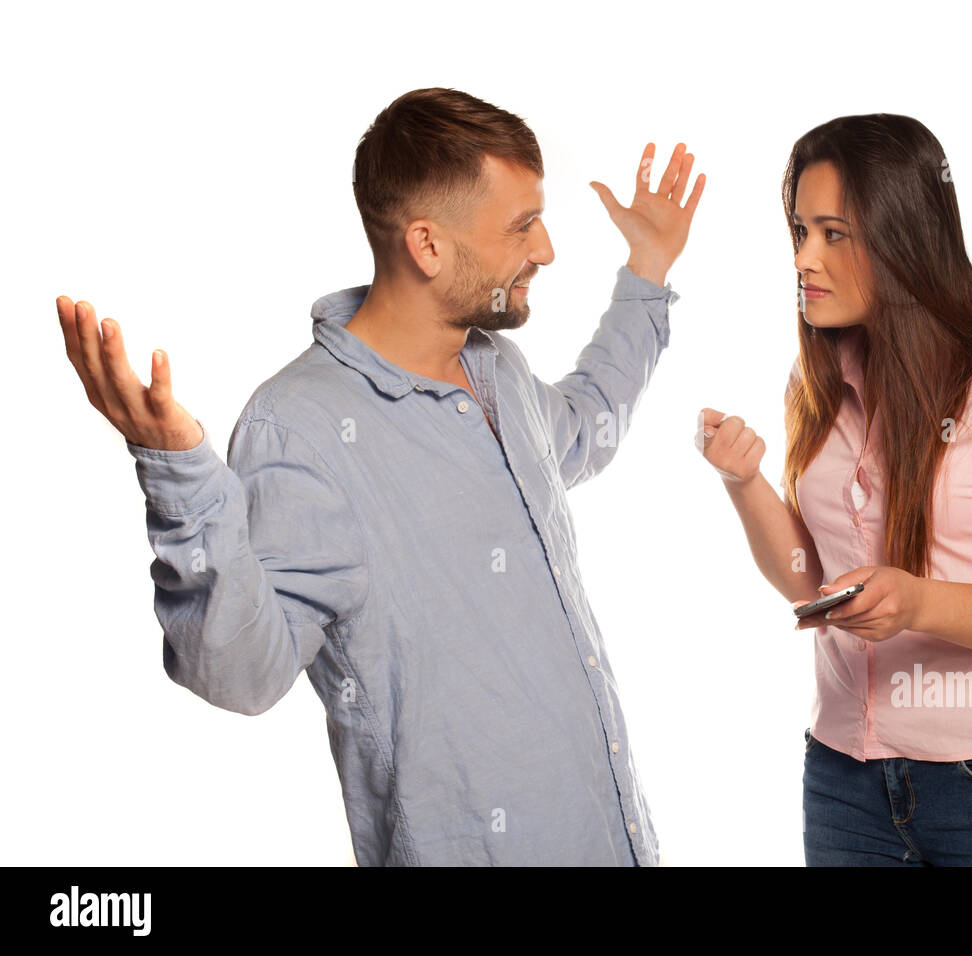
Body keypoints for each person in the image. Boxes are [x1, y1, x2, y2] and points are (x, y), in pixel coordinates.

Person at [55, 87, 704, 866]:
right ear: (427, 246)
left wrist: (650, 268)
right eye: (522, 226)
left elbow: (586, 425)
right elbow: (239, 671)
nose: (547, 250)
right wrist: (180, 472)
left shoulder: (496, 371)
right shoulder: (301, 429)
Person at [695, 113, 972, 866]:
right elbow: (811, 579)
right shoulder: (819, 376)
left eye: (832, 233)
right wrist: (743, 480)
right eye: (798, 231)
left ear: (902, 236)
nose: (803, 258)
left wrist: (917, 601)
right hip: (842, 782)